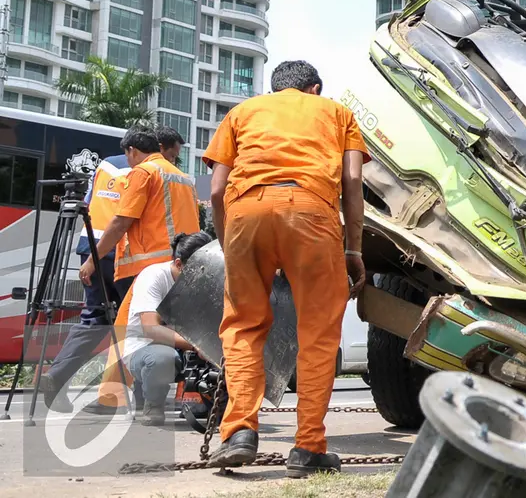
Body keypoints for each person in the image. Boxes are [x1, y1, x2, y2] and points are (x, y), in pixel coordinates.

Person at [202, 60, 368, 478]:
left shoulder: (242, 112)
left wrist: (229, 244)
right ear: (314, 88)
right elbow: (351, 182)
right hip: (311, 213)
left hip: (245, 213)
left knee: (242, 326)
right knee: (317, 333)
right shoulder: (337, 113)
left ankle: (238, 432)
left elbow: (217, 189)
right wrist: (354, 250)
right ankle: (308, 447)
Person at [82, 125, 201, 415]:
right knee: (170, 331)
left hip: (148, 267)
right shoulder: (184, 178)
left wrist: (93, 260)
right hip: (183, 266)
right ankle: (183, 396)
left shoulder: (144, 173)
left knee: (127, 331)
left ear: (133, 151)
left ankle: (113, 399)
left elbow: (120, 221)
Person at [38, 149, 133, 412]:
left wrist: (92, 256)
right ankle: (120, 396)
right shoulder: (143, 168)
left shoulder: (104, 166)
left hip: (89, 246)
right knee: (132, 321)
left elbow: (90, 203)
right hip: (120, 251)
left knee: (94, 317)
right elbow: (128, 215)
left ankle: (58, 374)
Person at [121, 231, 211, 425]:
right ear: (179, 264)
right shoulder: (153, 277)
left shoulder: (205, 280)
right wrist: (197, 346)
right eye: (199, 269)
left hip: (186, 346)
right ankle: (152, 402)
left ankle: (210, 402)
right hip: (145, 347)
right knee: (163, 358)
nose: (204, 275)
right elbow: (150, 329)